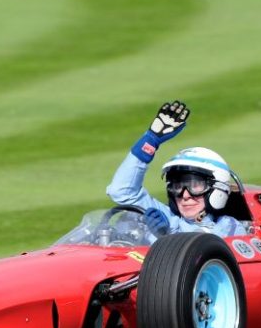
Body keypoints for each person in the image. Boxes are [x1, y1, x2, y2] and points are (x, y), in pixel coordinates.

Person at [106, 101, 247, 239]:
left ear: (217, 189)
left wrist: (166, 235)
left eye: (195, 186)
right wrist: (151, 140)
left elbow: (204, 247)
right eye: (177, 186)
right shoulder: (166, 217)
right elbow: (121, 191)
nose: (185, 195)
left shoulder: (230, 227)